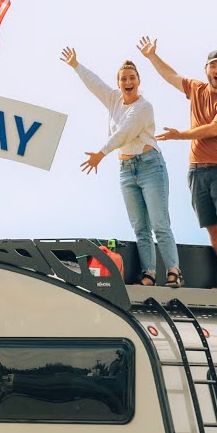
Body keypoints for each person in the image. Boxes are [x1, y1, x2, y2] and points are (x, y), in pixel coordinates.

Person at [61, 47, 182, 287]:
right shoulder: (113, 99)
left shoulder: (144, 107)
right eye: (123, 79)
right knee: (140, 226)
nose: (128, 82)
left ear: (138, 82)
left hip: (150, 166)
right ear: (118, 83)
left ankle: (174, 271)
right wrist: (76, 65)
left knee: (159, 223)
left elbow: (125, 132)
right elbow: (94, 83)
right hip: (126, 170)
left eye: (132, 78)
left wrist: (101, 153)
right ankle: (148, 273)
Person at [136, 37, 217, 291]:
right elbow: (171, 76)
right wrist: (152, 56)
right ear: (206, 69)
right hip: (197, 169)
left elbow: (212, 129)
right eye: (213, 66)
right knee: (211, 226)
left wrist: (179, 135)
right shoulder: (197, 89)